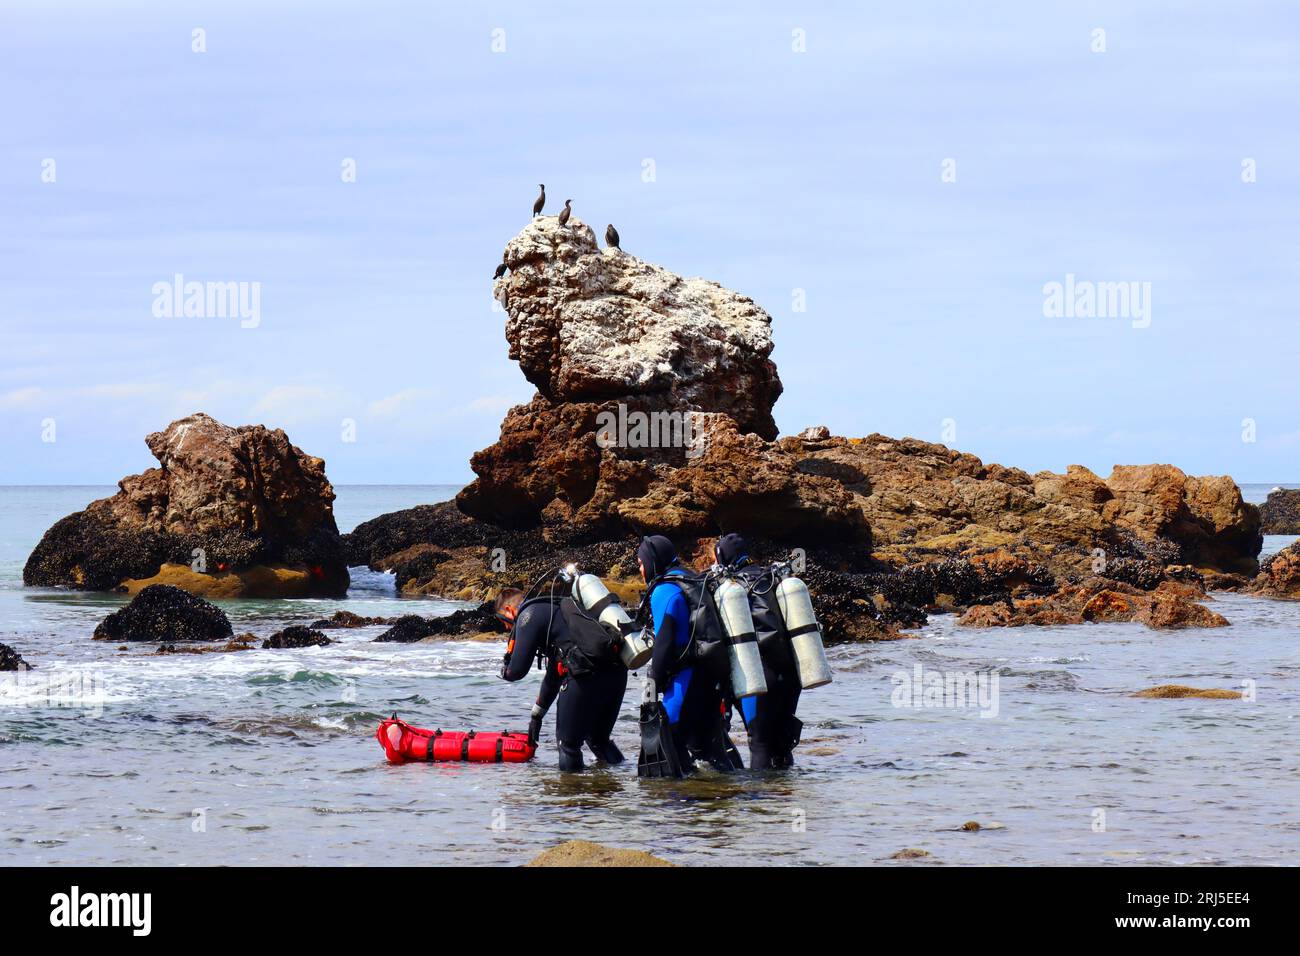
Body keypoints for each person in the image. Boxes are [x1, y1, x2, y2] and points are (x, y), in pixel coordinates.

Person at [496, 584, 628, 772]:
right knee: (598, 740)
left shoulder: (528, 614)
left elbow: (517, 671)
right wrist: (537, 715)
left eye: (505, 624)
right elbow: (554, 675)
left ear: (509, 610)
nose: (508, 628)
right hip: (616, 672)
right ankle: (621, 788)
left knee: (568, 745)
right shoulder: (557, 611)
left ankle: (569, 798)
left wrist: (504, 670)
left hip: (586, 676)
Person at [637, 535, 740, 775]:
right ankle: (726, 804)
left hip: (687, 680)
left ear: (652, 561)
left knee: (671, 740)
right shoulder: (691, 580)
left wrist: (652, 686)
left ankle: (682, 810)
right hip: (711, 677)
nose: (640, 569)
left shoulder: (663, 590)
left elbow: (663, 644)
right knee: (708, 751)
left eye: (641, 563)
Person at [714, 533, 802, 769]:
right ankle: (786, 795)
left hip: (760, 674)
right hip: (792, 674)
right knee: (781, 740)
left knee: (760, 741)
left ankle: (760, 802)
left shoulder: (731, 588)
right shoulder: (773, 577)